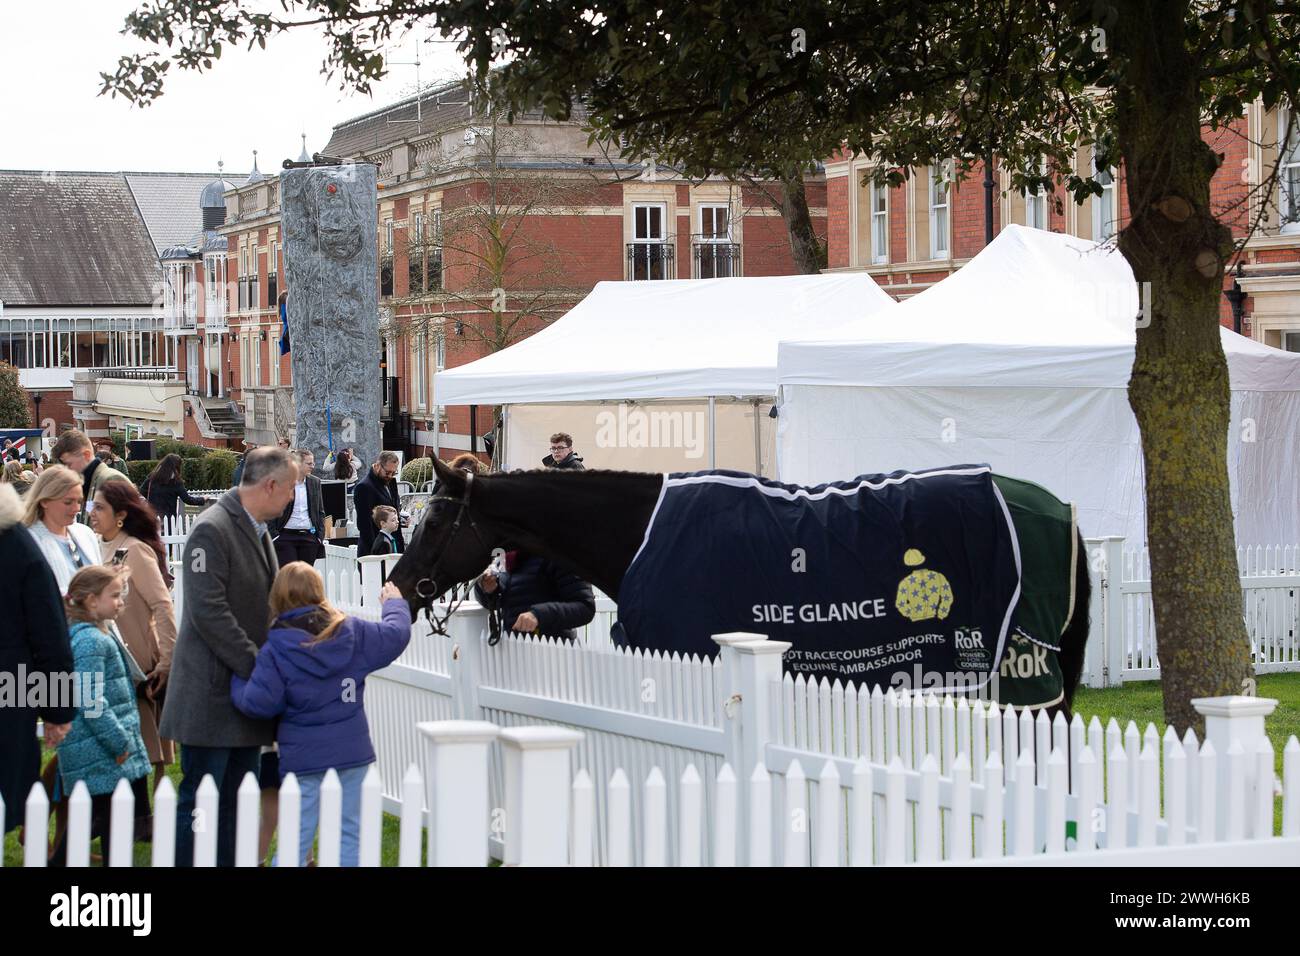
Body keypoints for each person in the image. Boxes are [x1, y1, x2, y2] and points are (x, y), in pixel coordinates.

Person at [159, 447, 298, 867]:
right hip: (212, 694)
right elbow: (208, 612)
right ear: (270, 485)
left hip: (242, 699)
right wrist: (258, 668)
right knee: (201, 804)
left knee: (238, 803)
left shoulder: (256, 530)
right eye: (290, 488)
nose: (293, 498)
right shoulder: (212, 528)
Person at [231, 563, 411, 867]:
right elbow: (397, 633)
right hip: (352, 754)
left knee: (295, 839)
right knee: (351, 835)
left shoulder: (276, 648)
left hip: (304, 759)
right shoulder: (352, 632)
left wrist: (237, 679)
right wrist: (394, 604)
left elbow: (259, 702)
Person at [49, 564, 151, 867]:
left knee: (102, 820)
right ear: (92, 601)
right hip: (101, 750)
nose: (121, 601)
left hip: (98, 749)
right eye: (115, 595)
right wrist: (119, 742)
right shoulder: (91, 641)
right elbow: (91, 701)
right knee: (103, 820)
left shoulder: (89, 635)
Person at [89, 481, 177, 806]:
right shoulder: (95, 546)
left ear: (121, 515)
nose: (92, 514)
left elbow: (162, 604)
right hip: (106, 655)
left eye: (100, 508)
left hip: (137, 658)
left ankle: (149, 811)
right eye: (92, 506)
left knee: (147, 739)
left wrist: (168, 659)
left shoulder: (136, 550)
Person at [0, 481, 75, 839]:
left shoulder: (16, 543)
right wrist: (58, 712)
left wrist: (58, 709)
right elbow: (49, 628)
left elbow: (48, 630)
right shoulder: (17, 543)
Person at [474, 549, 596, 641]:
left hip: (556, 657)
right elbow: (498, 602)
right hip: (516, 654)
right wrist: (488, 589)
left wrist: (538, 615)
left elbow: (585, 607)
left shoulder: (560, 552)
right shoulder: (510, 556)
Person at [23, 466, 102, 594]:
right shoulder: (28, 542)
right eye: (68, 502)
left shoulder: (86, 533)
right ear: (44, 501)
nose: (76, 508)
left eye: (79, 501)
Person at [51, 429, 133, 518]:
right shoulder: (89, 483)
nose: (66, 471)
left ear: (86, 455)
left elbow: (132, 525)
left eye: (69, 464)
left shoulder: (111, 480)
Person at [270, 448, 326, 567]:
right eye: (309, 463)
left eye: (313, 463)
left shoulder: (315, 482)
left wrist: (319, 536)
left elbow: (320, 511)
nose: (313, 466)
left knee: (305, 578)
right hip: (285, 536)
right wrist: (275, 536)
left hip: (309, 537)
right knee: (290, 576)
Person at [353, 451, 404, 557]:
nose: (390, 476)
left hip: (393, 547)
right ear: (377, 466)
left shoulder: (391, 483)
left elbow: (393, 509)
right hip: (375, 551)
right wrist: (374, 554)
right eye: (387, 472)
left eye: (394, 473)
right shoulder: (364, 487)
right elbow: (364, 525)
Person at [139, 453, 206, 520]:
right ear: (177, 467)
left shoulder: (152, 478)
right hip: (169, 518)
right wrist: (203, 499)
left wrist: (152, 499)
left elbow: (141, 491)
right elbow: (188, 500)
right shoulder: (176, 483)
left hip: (152, 516)